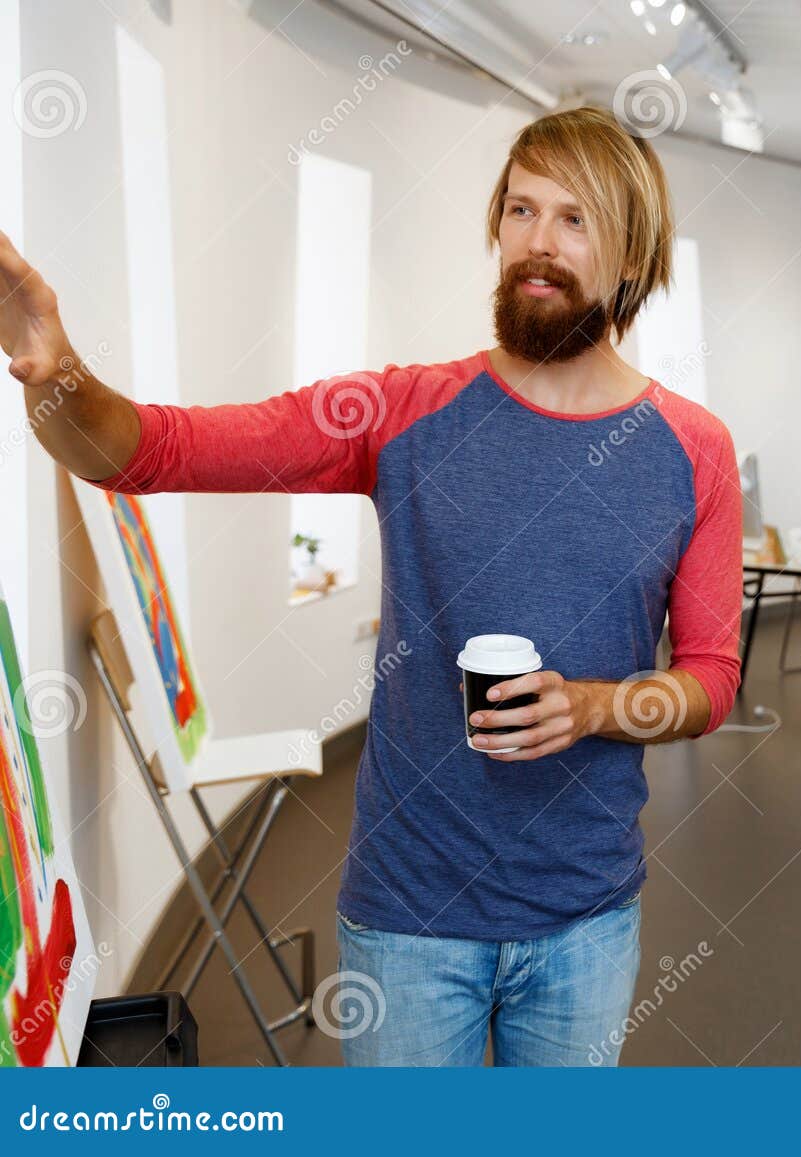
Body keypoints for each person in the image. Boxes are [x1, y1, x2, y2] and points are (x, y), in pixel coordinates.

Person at [0, 106, 743, 1066]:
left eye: (575, 219)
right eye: (521, 210)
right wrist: (55, 375)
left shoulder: (693, 452)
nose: (538, 245)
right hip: (408, 918)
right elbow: (152, 449)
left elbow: (712, 678)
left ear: (634, 258)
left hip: (585, 920)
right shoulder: (401, 413)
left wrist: (597, 706)